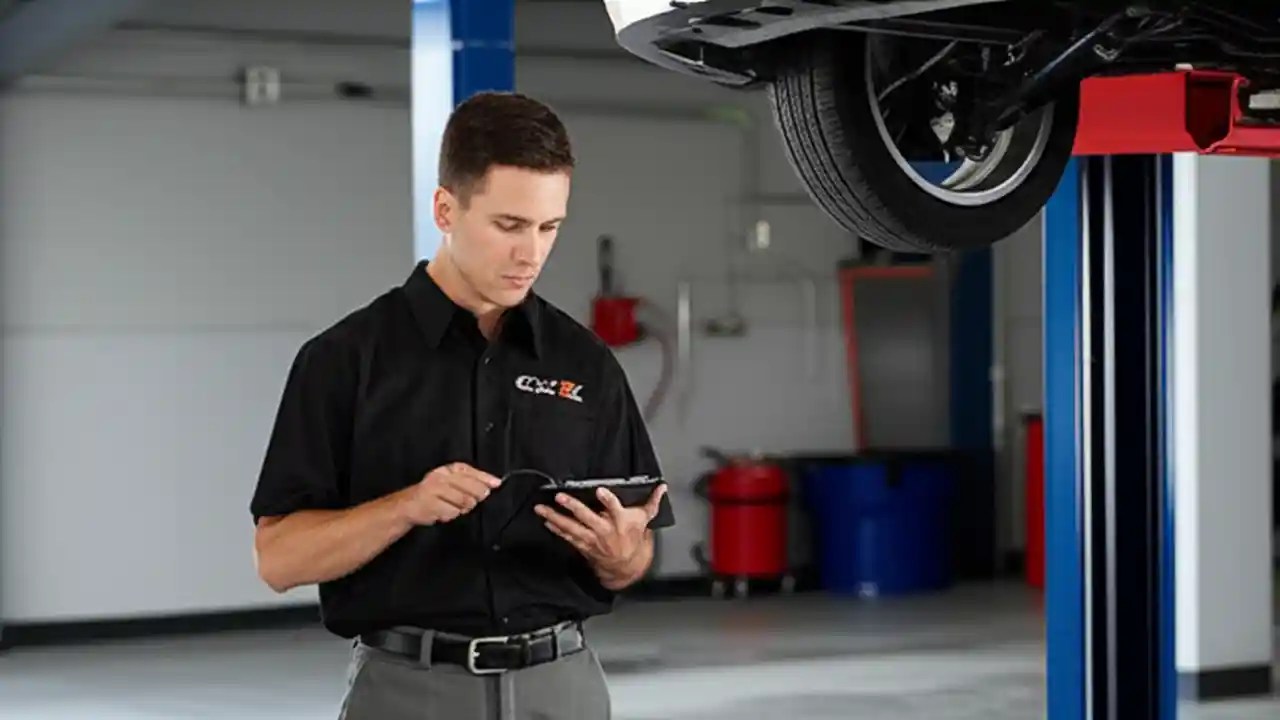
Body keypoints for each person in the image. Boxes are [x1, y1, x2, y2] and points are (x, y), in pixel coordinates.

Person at [248, 91, 670, 720]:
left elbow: (634, 556)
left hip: (563, 688)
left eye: (549, 227)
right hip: (409, 693)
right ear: (445, 209)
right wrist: (406, 507)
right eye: (509, 226)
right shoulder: (344, 361)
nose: (531, 254)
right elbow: (279, 560)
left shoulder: (585, 363)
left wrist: (620, 555)